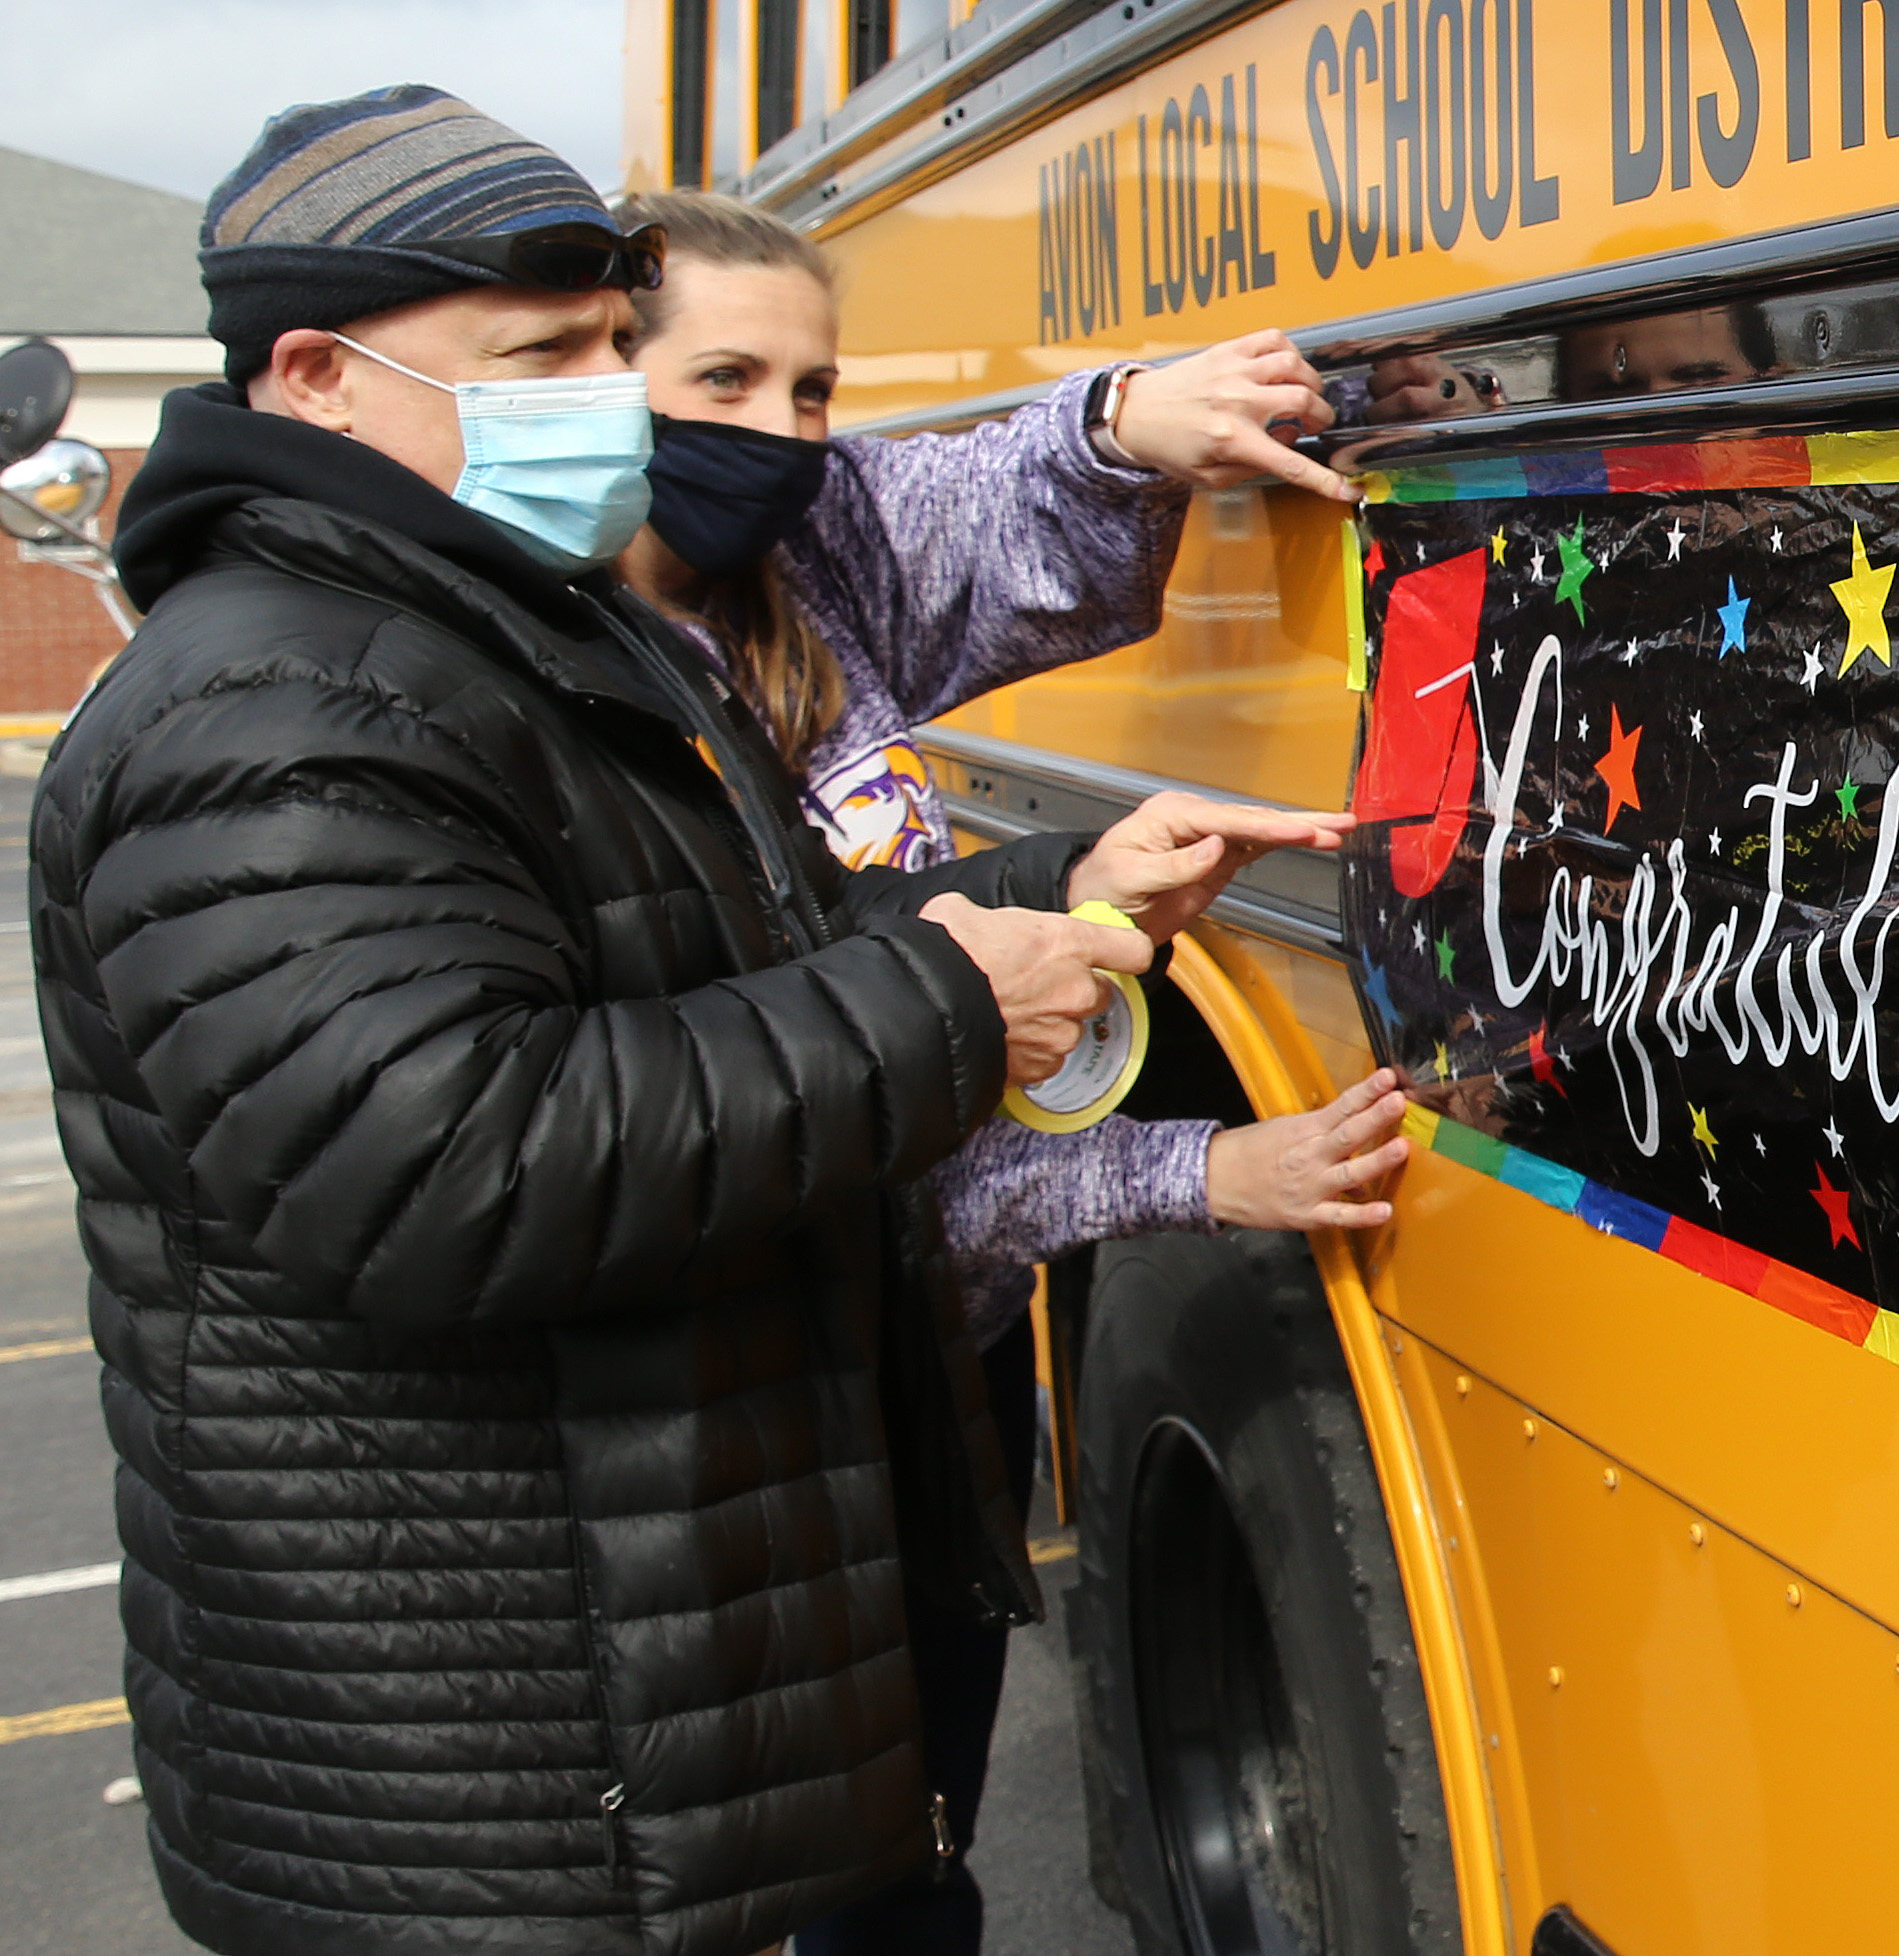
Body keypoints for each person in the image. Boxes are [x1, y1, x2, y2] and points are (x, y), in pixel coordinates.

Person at [26, 86, 1384, 1956]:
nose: (615, 397)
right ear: (321, 380)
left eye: (608, 342)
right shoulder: (280, 701)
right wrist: (946, 997)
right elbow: (442, 1166)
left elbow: (720, 954)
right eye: (551, 354)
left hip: (635, 1672)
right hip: (505, 1776)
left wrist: (1056, 898)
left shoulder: (498, 628)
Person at [605, 188, 1405, 1953]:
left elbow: (978, 501)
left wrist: (1135, 419)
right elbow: (821, 1094)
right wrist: (1195, 1172)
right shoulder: (573, 693)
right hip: (737, 1430)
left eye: (812, 393)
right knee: (799, 1884)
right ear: (598, 370)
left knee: (907, 1865)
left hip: (908, 1385)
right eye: (720, 377)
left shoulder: (797, 575)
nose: (778, 435)